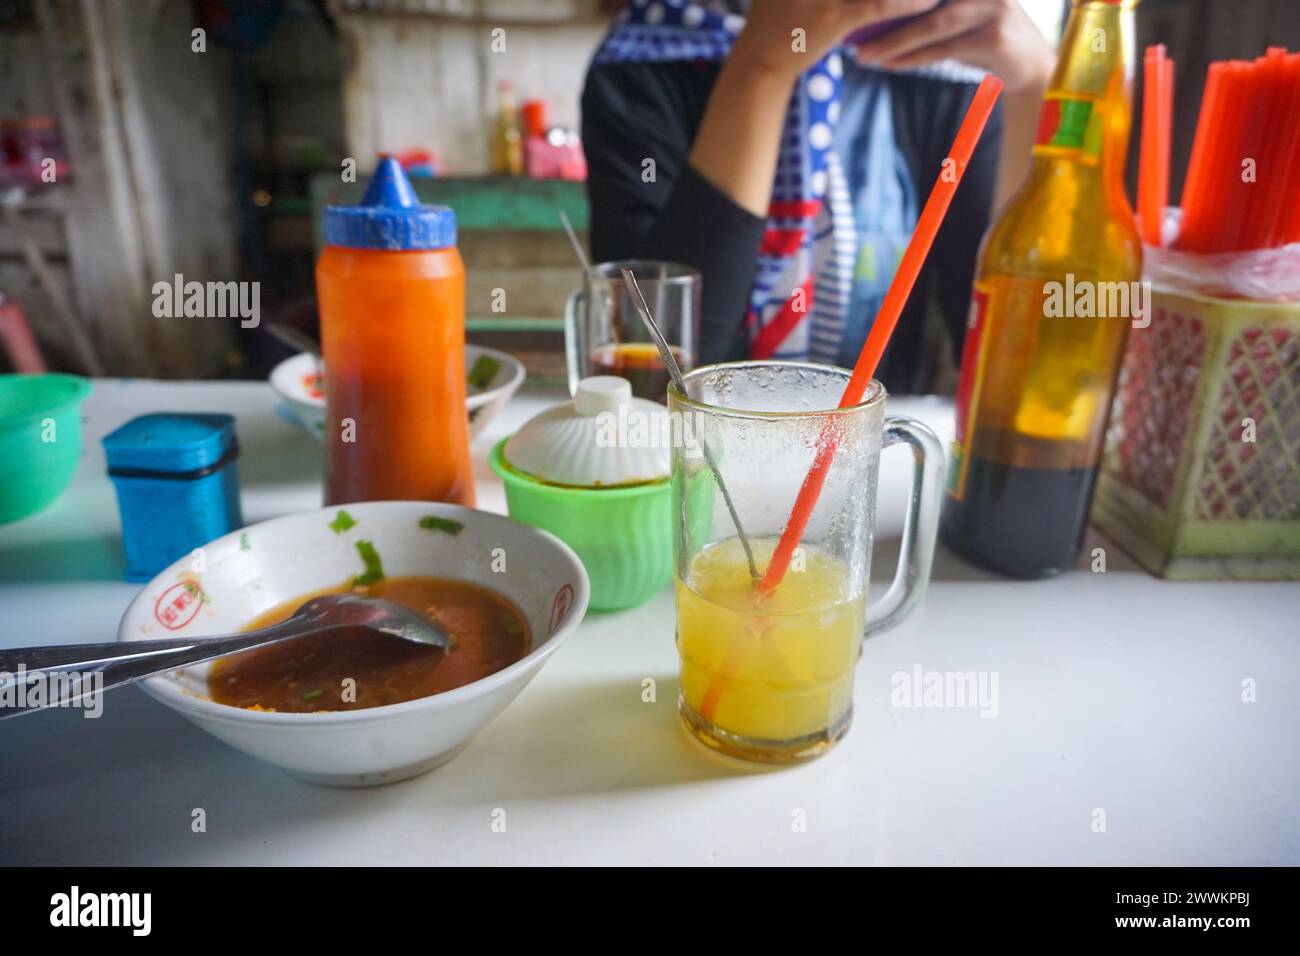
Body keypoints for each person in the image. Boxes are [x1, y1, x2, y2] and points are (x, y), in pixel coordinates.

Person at [581, 0, 1055, 393]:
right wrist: (762, 66)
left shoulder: (950, 69)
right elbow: (653, 379)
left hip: (873, 464)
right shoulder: (640, 67)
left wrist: (1037, 85)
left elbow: (1006, 368)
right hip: (696, 476)